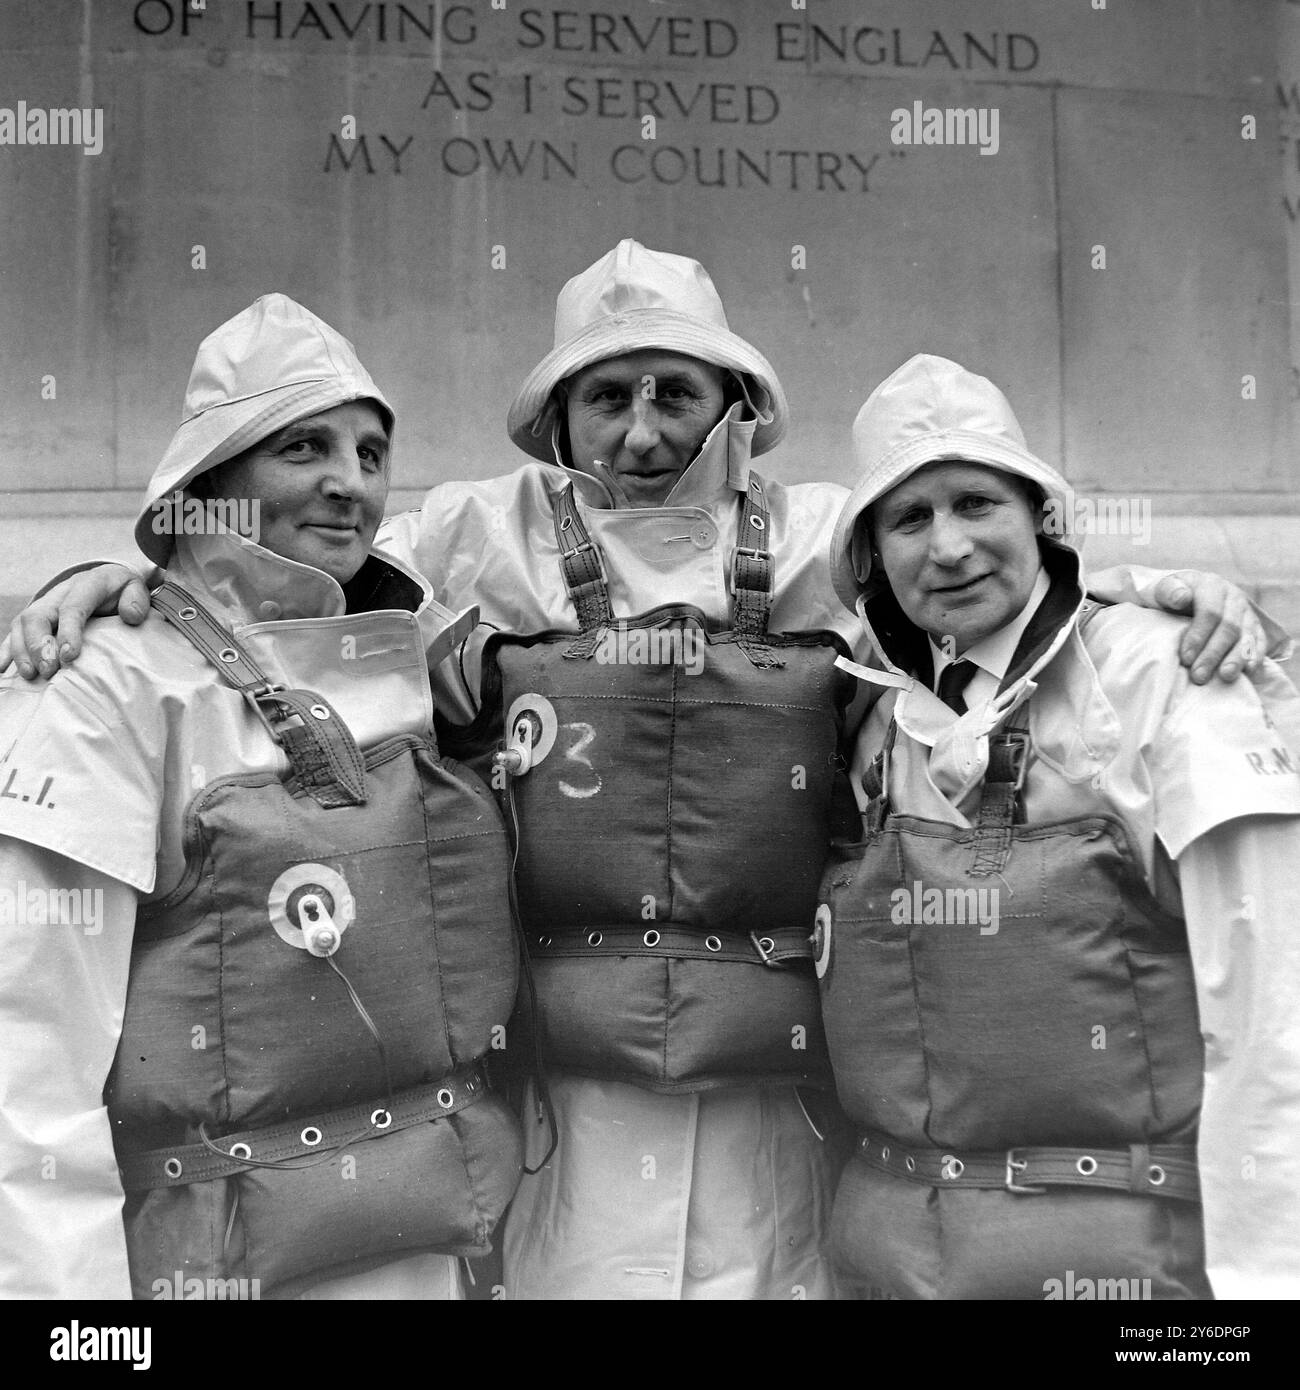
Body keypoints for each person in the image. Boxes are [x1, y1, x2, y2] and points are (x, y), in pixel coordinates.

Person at [1, 245, 1277, 1300]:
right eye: (608, 398)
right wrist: (109, 585)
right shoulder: (461, 533)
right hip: (565, 1121)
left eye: (676, 392)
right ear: (558, 416)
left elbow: (974, 565)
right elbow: (276, 577)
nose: (644, 430)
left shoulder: (837, 531)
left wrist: (1160, 590)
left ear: (732, 402)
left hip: (774, 1111)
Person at [0, 295, 522, 1300]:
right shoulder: (97, 685)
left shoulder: (403, 650)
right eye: (303, 449)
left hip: (425, 1242)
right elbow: (27, 1073)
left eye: (370, 453)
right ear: (213, 481)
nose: (349, 484)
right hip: (217, 1265)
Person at [815, 353, 1300, 1299]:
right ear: (873, 556)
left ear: (1041, 517)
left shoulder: (1168, 672)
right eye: (910, 518)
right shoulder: (870, 714)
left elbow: (1274, 1008)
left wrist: (1268, 1285)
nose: (948, 548)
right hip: (897, 1263)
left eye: (977, 503)